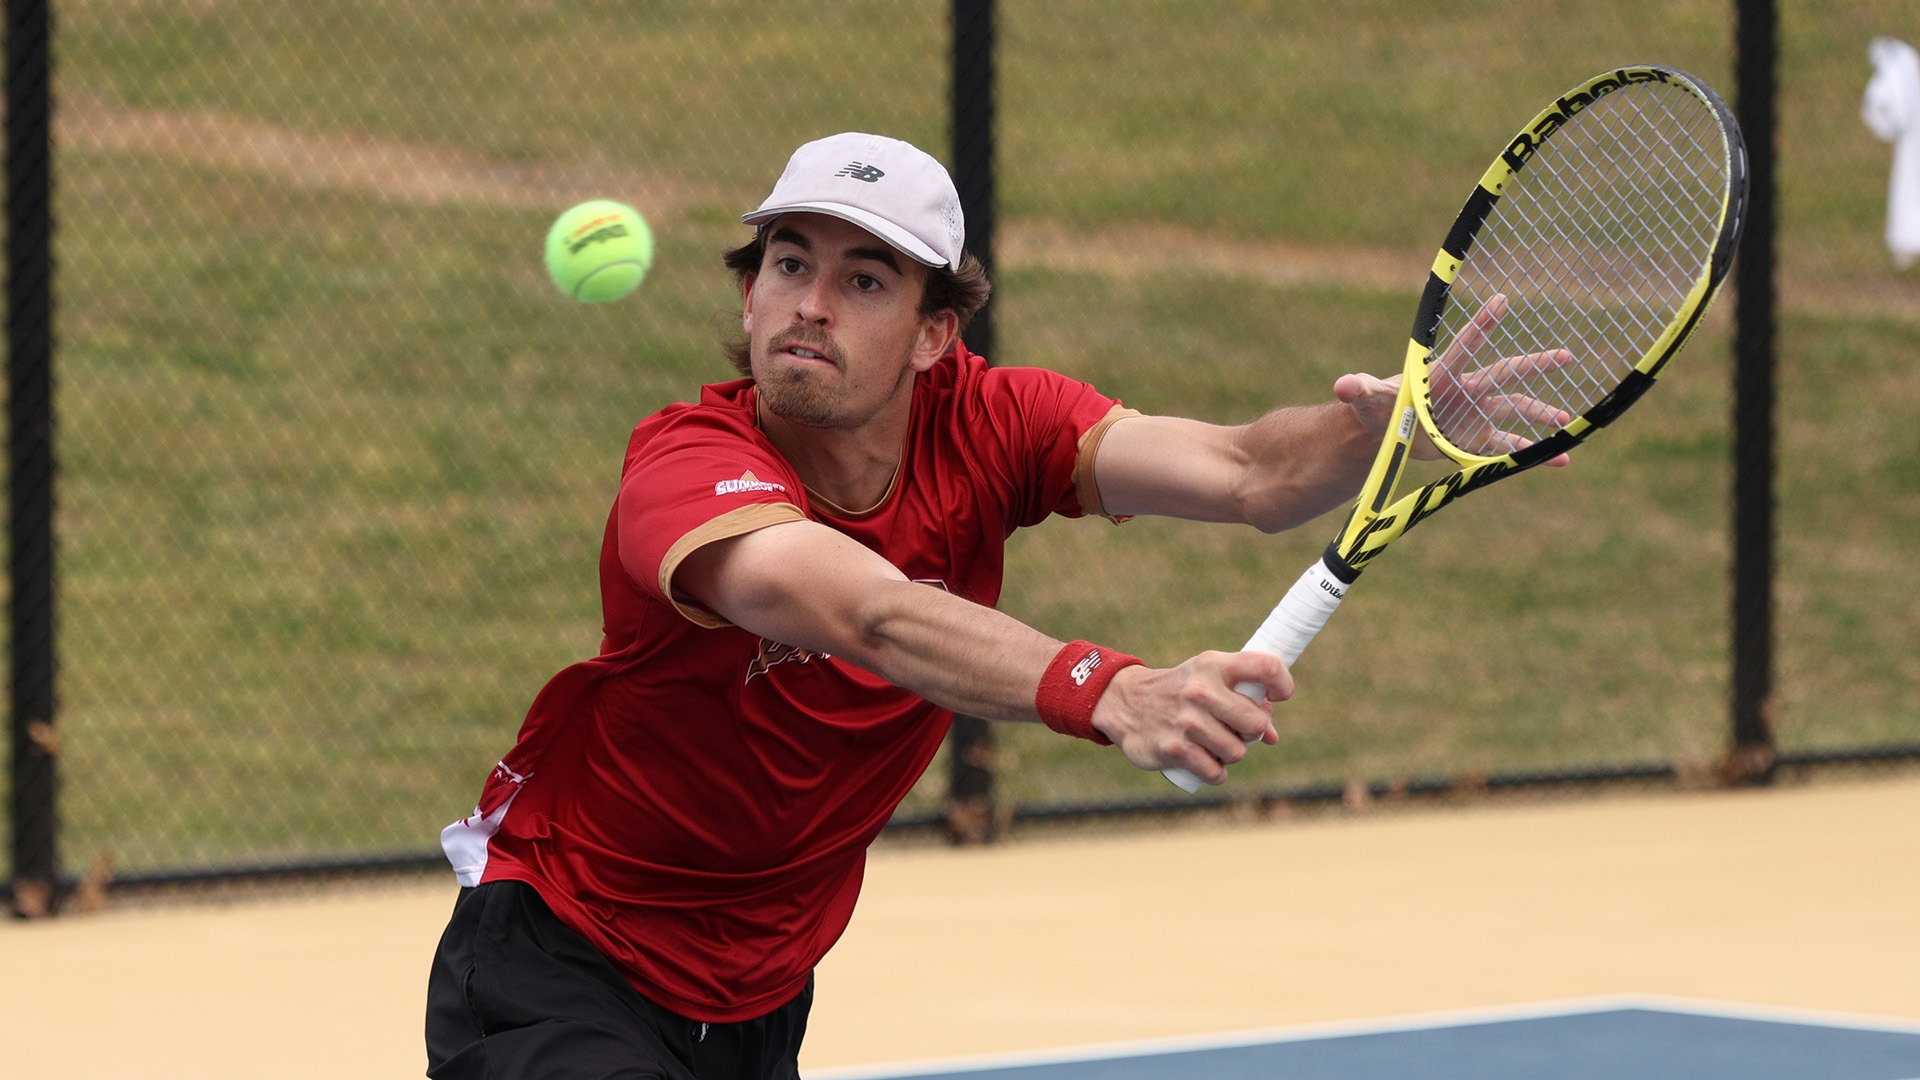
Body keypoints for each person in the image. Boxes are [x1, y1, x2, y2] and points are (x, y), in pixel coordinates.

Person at [424, 131, 1549, 1080]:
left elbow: (1248, 472)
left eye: (864, 280)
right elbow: (867, 613)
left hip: (760, 990)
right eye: (787, 262)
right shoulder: (686, 464)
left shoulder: (994, 424)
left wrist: (1381, 425)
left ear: (932, 333)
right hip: (563, 955)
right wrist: (1109, 691)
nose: (810, 305)